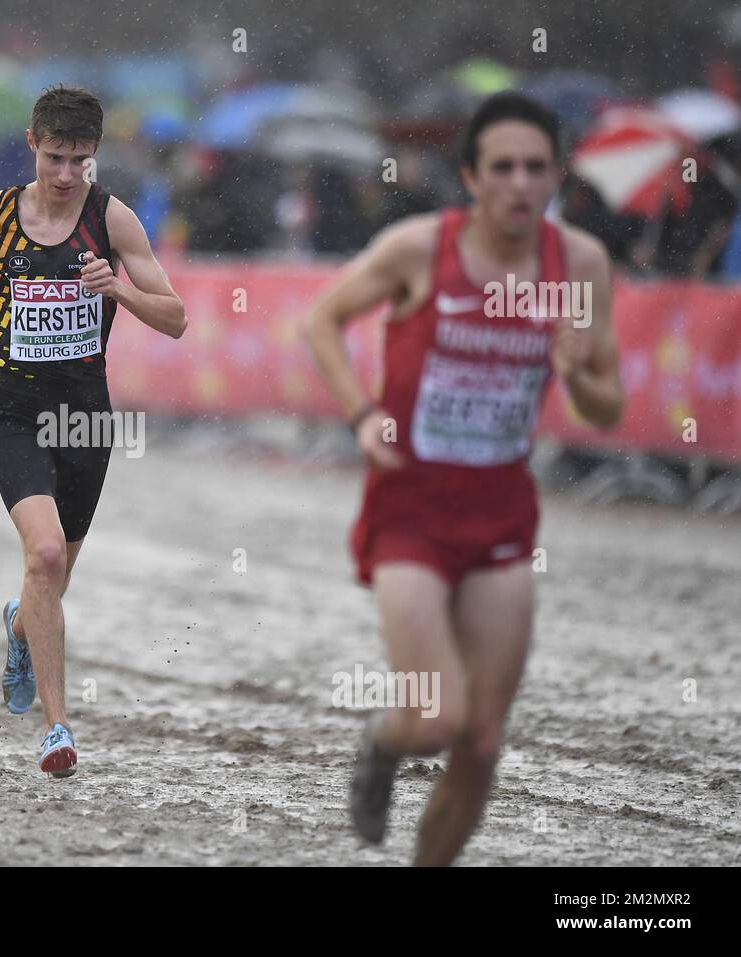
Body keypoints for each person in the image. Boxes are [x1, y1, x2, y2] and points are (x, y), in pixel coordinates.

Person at [305, 92, 624, 864]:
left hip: (503, 519)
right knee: (433, 717)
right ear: (471, 179)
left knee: (481, 739)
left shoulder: (577, 266)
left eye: (537, 169)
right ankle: (384, 741)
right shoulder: (419, 248)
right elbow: (322, 320)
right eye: (503, 168)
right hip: (409, 513)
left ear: (557, 178)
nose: (521, 184)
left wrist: (578, 375)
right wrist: (361, 414)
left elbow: (608, 409)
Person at [0, 85, 186, 777]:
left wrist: (120, 291)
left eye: (80, 160)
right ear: (31, 146)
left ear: (95, 156)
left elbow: (175, 316)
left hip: (84, 420)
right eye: (54, 157)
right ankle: (57, 729)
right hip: (14, 412)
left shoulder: (114, 220)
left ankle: (20, 626)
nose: (67, 174)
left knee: (53, 575)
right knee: (44, 555)